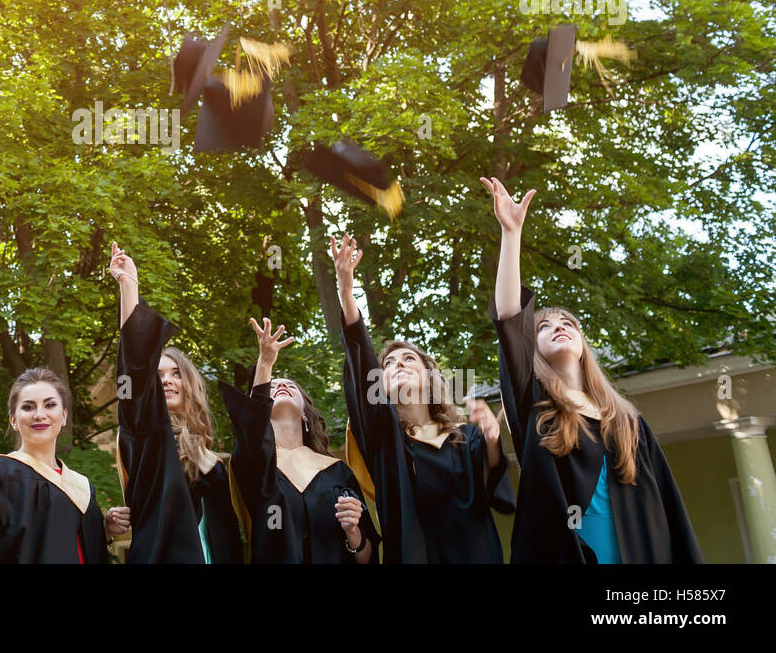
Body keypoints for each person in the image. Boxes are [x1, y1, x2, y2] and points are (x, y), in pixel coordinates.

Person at [481, 176, 703, 563]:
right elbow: (509, 317)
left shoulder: (628, 420)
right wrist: (511, 233)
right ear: (532, 347)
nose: (558, 326)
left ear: (584, 345)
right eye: (544, 326)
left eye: (567, 323)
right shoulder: (532, 402)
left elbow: (670, 505)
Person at [331, 232, 512, 563]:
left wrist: (492, 440)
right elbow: (360, 357)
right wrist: (345, 287)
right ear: (379, 384)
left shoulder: (466, 437)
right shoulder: (385, 438)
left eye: (408, 359)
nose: (398, 364)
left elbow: (493, 487)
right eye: (388, 364)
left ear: (430, 376)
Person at [110, 241, 240, 563]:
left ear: (189, 383)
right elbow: (135, 365)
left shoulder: (216, 460)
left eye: (175, 373)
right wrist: (129, 288)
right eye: (159, 375)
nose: (166, 380)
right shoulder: (148, 437)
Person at [218, 316, 380, 563]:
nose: (281, 386)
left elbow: (366, 557)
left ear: (305, 413)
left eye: (290, 386)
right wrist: (265, 363)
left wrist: (353, 531)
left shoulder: (338, 472)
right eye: (273, 386)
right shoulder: (255, 466)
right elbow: (252, 433)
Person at [0, 369, 124, 562]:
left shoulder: (82, 487)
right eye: (28, 407)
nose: (39, 415)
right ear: (13, 420)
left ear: (64, 416)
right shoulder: (0, 472)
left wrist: (104, 529)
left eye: (50, 405)